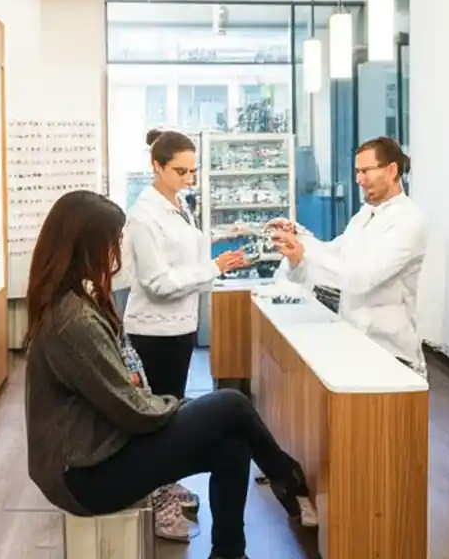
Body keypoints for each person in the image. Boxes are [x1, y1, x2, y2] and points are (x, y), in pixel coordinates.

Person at [24, 190, 315, 559]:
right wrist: (181, 408)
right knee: (231, 404)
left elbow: (126, 398)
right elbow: (132, 409)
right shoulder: (74, 321)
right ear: (87, 247)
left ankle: (231, 552)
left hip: (96, 451)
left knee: (232, 445)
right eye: (112, 243)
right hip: (84, 476)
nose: (117, 254)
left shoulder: (73, 303)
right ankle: (286, 476)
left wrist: (180, 408)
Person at [114, 129, 249, 537]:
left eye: (193, 171)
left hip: (177, 327)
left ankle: (165, 485)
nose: (189, 179)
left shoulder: (177, 203)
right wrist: (214, 267)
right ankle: (156, 501)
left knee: (168, 414)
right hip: (154, 332)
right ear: (156, 166)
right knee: (154, 420)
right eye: (180, 171)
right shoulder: (144, 216)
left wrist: (218, 254)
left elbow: (183, 258)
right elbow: (157, 282)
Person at [268, 136, 430, 375]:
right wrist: (298, 238)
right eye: (357, 172)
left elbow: (361, 278)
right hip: (357, 341)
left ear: (392, 170)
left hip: (391, 355)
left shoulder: (409, 222)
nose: (358, 180)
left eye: (366, 171)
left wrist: (305, 250)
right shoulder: (364, 216)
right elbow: (335, 252)